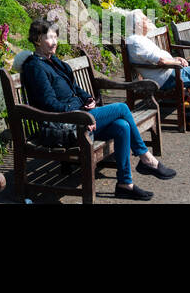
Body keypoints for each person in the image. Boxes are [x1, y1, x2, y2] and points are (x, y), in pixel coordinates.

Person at [22, 19, 174, 200]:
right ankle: (146, 158)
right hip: (65, 124)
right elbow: (48, 103)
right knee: (122, 108)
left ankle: (125, 183)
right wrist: (81, 112)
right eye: (49, 38)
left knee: (122, 126)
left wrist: (87, 98)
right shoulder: (35, 67)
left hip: (78, 116)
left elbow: (73, 88)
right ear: (38, 39)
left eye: (56, 37)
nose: (54, 42)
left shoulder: (53, 61)